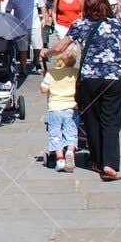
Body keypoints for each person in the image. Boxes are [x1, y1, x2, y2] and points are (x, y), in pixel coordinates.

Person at [46, 0, 121, 182]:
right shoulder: (117, 24)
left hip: (89, 79)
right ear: (106, 5)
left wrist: (45, 53)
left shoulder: (79, 25)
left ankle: (98, 161)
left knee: (92, 121)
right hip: (113, 79)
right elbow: (120, 49)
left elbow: (60, 47)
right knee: (111, 122)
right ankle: (110, 164)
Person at [40, 41, 80, 172]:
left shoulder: (51, 73)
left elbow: (44, 90)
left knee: (55, 134)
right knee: (71, 133)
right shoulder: (75, 73)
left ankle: (60, 159)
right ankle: (70, 151)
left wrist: (44, 78)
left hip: (55, 109)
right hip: (71, 108)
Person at [6, 0, 40, 69]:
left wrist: (44, 18)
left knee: (38, 47)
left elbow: (42, 7)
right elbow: (7, 10)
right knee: (23, 50)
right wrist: (9, 22)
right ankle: (23, 69)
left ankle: (36, 59)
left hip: (35, 25)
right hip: (21, 27)